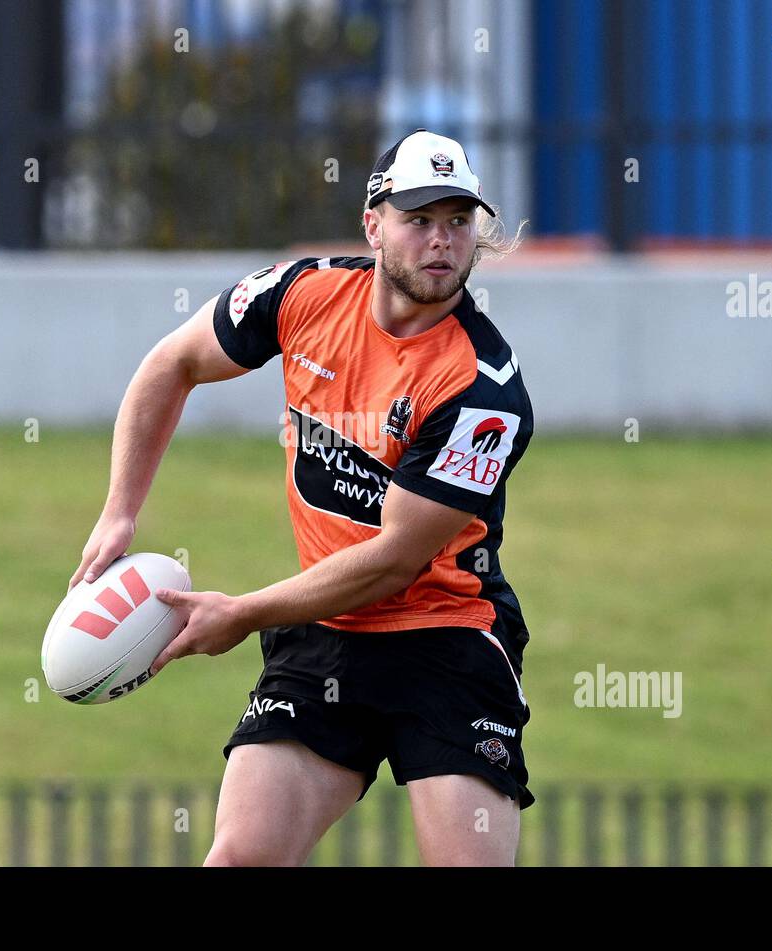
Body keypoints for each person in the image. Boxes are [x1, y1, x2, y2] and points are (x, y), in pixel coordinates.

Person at [70, 129, 534, 866]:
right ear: (373, 224)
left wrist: (242, 614)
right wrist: (119, 510)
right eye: (419, 220)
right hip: (325, 631)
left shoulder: (481, 389)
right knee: (238, 860)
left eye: (458, 221)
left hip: (446, 636)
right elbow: (174, 363)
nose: (442, 241)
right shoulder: (302, 293)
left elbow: (393, 565)